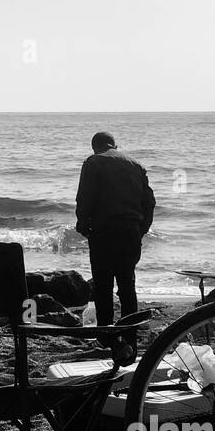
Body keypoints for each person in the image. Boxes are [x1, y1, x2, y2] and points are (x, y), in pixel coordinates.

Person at [75, 131, 155, 326]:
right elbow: (149, 203)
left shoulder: (93, 162)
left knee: (103, 286)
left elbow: (84, 198)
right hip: (130, 232)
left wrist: (83, 226)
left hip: (103, 232)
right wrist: (141, 229)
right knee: (127, 284)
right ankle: (129, 335)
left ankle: (105, 334)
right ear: (114, 145)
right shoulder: (136, 165)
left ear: (95, 147)